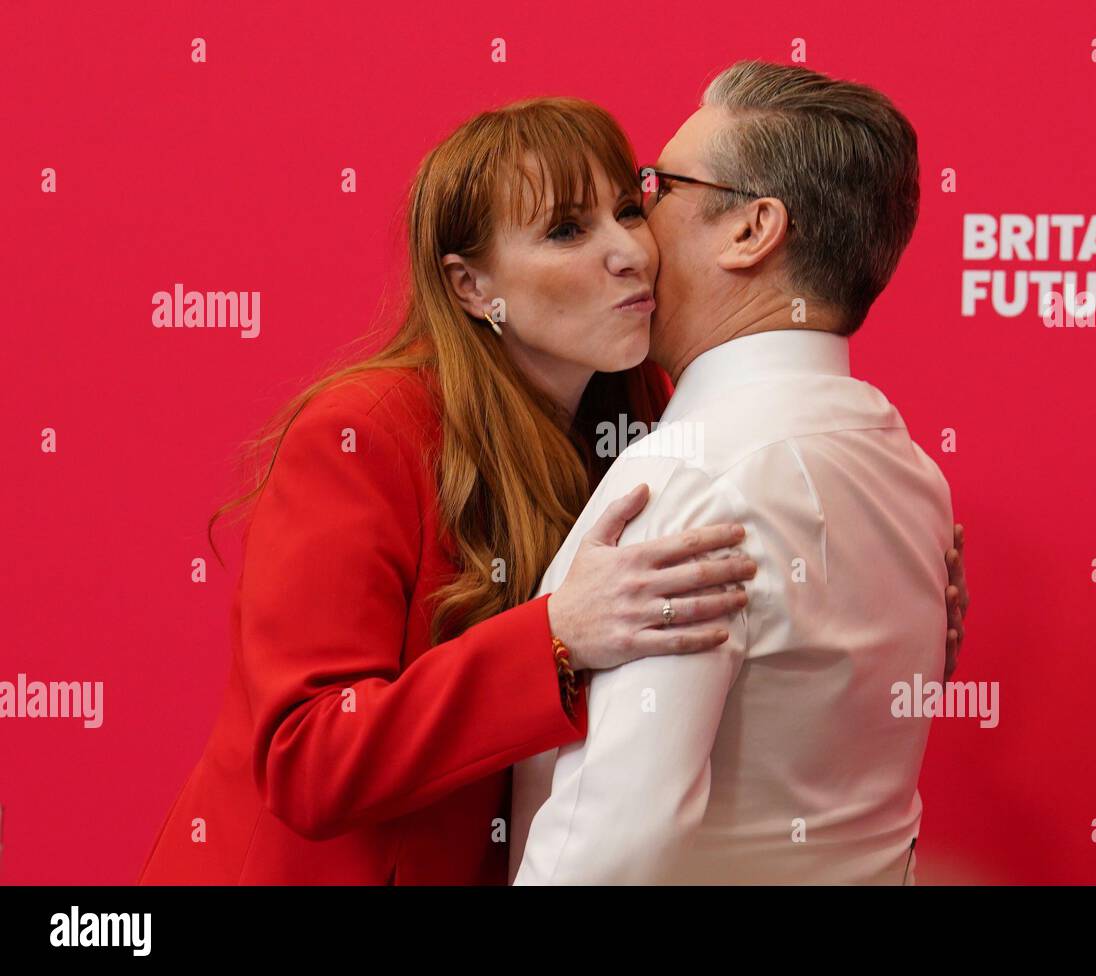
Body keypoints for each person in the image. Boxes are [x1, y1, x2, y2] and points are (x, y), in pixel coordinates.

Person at [136, 97, 764, 884]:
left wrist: (881, 594)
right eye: (567, 230)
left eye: (628, 211)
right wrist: (555, 634)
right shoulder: (360, 435)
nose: (630, 253)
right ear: (471, 287)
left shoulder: (646, 417)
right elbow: (309, 757)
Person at [511, 61, 962, 884]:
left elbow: (617, 836)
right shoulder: (911, 469)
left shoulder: (691, 476)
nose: (634, 225)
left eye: (656, 189)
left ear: (752, 230)